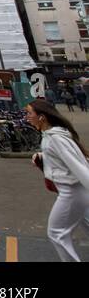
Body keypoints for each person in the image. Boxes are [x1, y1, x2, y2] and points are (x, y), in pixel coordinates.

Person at [26, 97, 89, 262]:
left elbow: (78, 166)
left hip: (72, 193)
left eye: (29, 113)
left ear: (42, 117)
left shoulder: (55, 138)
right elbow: (62, 157)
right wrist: (42, 156)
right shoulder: (50, 136)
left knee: (56, 233)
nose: (27, 117)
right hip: (75, 192)